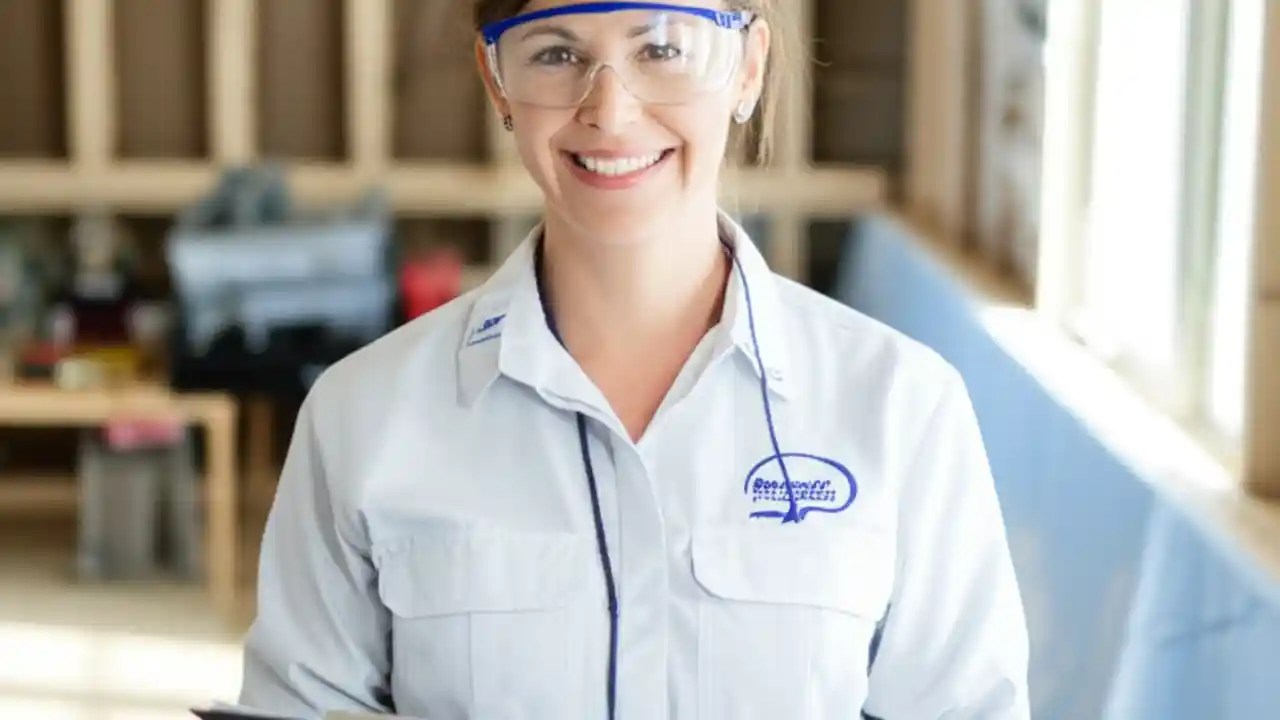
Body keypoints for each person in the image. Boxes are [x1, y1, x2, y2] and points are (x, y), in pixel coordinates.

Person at [239, 1, 1030, 718]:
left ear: (747, 67)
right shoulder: (363, 417)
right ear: (496, 80)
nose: (610, 111)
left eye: (662, 49)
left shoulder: (901, 406)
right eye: (556, 54)